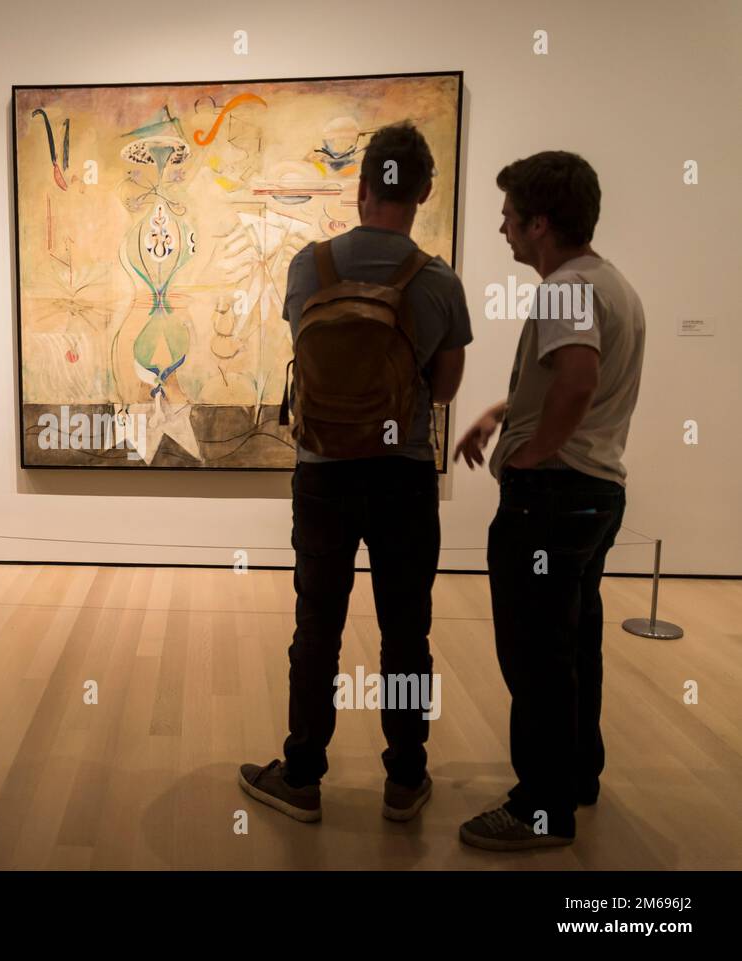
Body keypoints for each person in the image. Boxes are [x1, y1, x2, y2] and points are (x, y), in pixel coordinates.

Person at [239, 122, 472, 823]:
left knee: (317, 626)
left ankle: (303, 774)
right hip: (401, 479)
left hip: (322, 475)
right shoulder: (437, 281)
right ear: (424, 191)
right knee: (406, 632)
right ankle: (405, 779)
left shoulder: (309, 267)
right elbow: (445, 389)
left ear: (364, 186)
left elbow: (309, 359)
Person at [455, 151, 645, 850]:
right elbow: (561, 379)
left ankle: (541, 806)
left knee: (534, 653)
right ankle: (576, 775)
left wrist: (534, 454)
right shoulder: (608, 282)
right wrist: (507, 414)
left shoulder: (565, 289)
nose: (501, 227)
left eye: (509, 215)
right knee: (572, 644)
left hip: (552, 498)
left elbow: (577, 380)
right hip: (595, 494)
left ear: (539, 223)